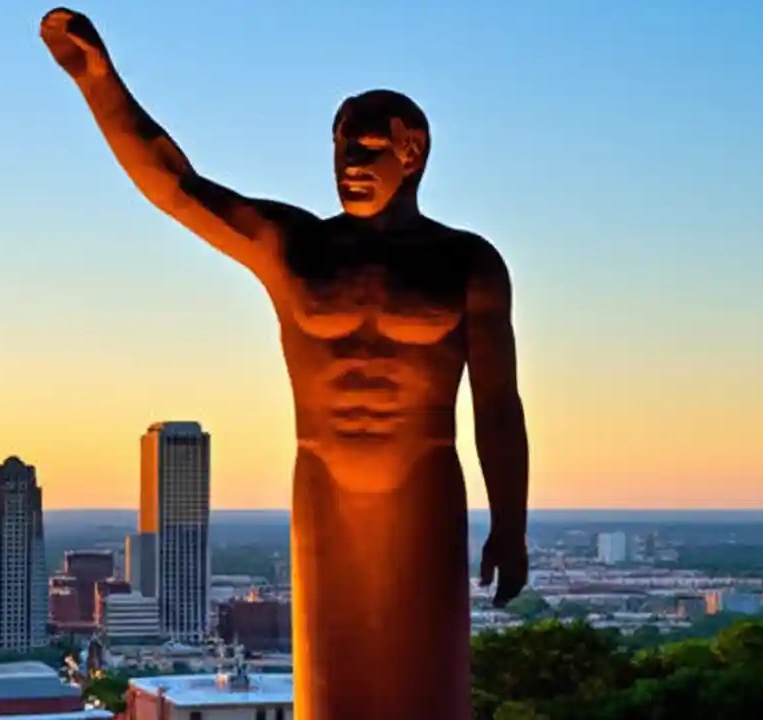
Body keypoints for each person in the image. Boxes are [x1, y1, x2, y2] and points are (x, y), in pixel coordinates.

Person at [40, 9, 530, 717]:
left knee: (429, 680)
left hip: (423, 484)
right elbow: (177, 185)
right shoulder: (294, 246)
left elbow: (498, 404)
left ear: (412, 152)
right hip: (325, 484)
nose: (350, 165)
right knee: (332, 680)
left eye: (368, 149)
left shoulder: (468, 262)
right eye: (340, 151)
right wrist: (98, 82)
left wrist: (510, 525)